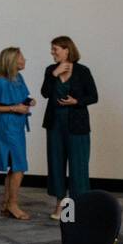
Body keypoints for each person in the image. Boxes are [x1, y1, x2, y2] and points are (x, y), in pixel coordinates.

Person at [41, 35, 97, 218]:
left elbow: (93, 96)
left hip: (77, 126)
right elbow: (45, 93)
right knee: (56, 165)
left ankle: (75, 209)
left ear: (66, 49)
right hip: (55, 125)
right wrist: (54, 75)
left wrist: (76, 101)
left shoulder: (83, 71)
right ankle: (60, 207)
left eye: (55, 49)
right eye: (52, 49)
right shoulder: (50, 70)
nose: (52, 52)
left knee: (78, 167)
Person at [0, 46, 34, 221]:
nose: (24, 61)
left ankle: (6, 203)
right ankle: (13, 204)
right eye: (21, 58)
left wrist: (28, 102)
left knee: (14, 166)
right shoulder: (0, 82)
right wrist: (14, 107)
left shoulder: (19, 78)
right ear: (12, 61)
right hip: (7, 126)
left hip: (17, 125)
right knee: (19, 166)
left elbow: (23, 97)